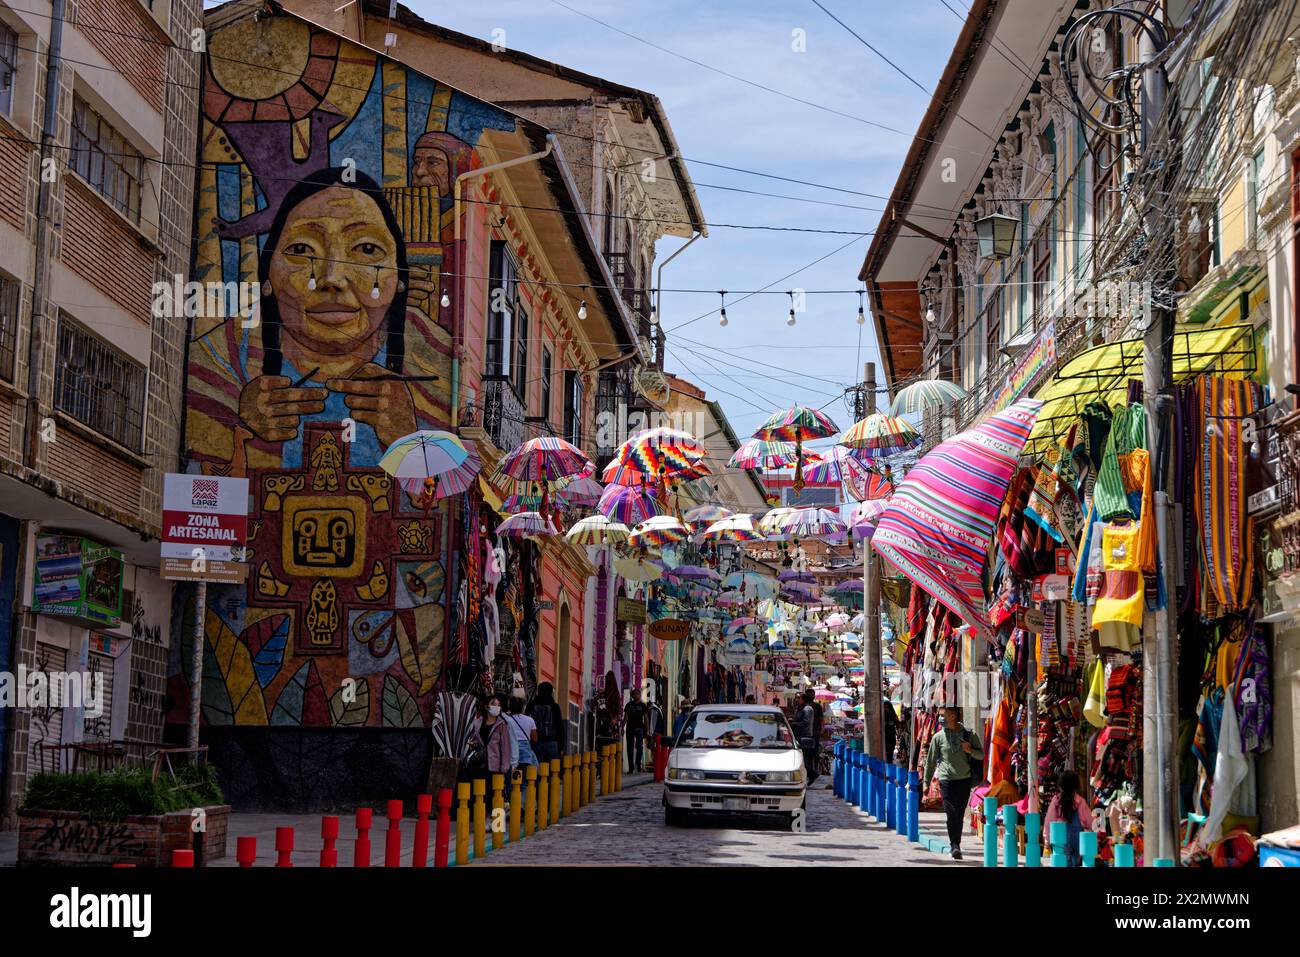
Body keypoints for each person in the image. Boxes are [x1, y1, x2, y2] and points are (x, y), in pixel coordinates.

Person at [923, 706, 984, 860]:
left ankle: (956, 843)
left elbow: (981, 755)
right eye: (941, 715)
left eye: (946, 715)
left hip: (964, 780)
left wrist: (970, 750)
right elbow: (930, 762)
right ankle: (954, 845)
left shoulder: (969, 735)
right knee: (951, 813)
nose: (942, 718)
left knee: (959, 813)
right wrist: (926, 782)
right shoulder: (938, 737)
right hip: (946, 780)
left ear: (954, 715)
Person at [1045, 770, 1095, 866]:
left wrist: (1047, 839)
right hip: (1078, 840)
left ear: (1060, 785)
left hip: (1060, 840)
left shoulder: (1056, 801)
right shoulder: (1080, 801)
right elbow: (1090, 822)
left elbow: (1048, 822)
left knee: (1063, 862)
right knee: (1075, 862)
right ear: (1076, 786)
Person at [467, 694, 513, 792]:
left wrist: (504, 769)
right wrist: (473, 743)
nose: (496, 707)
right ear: (486, 707)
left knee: (490, 797)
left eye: (498, 705)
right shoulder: (477, 723)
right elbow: (473, 738)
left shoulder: (502, 725)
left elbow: (506, 748)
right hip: (479, 764)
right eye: (493, 704)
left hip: (494, 767)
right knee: (477, 794)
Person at [527, 682, 565, 763]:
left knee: (535, 769)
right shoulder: (554, 706)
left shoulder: (532, 705)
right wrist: (561, 747)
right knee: (553, 770)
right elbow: (560, 727)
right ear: (551, 692)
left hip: (535, 742)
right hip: (551, 742)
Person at [505, 696, 539, 769]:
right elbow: (535, 738)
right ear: (522, 707)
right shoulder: (530, 720)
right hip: (525, 750)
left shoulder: (507, 720)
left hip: (510, 748)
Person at [792, 691, 819, 784]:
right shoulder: (799, 709)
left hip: (805, 736)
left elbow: (806, 722)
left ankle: (812, 774)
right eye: (796, 698)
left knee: (805, 759)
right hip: (798, 736)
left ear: (803, 699)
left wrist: (793, 724)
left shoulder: (808, 709)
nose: (797, 700)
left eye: (799, 698)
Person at [624, 691, 648, 773]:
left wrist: (646, 730)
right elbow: (625, 717)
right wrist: (622, 727)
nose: (636, 695)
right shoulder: (629, 705)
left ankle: (638, 764)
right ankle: (631, 767)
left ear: (640, 695)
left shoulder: (643, 705)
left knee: (639, 747)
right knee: (629, 748)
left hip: (639, 728)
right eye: (634, 694)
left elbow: (646, 718)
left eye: (637, 694)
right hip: (630, 728)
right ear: (632, 695)